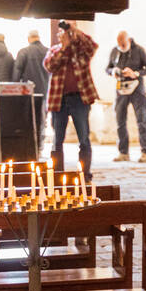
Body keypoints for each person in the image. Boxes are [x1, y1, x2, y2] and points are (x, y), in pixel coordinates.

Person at [44, 21, 98, 181]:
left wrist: (76, 32)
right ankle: (57, 174)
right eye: (62, 32)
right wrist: (63, 47)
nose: (65, 35)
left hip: (79, 98)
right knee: (57, 139)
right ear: (58, 36)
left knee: (84, 138)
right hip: (58, 100)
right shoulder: (54, 50)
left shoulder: (81, 51)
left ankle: (85, 175)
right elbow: (49, 66)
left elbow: (92, 47)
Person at [104, 31, 146, 163]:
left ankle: (145, 152)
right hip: (121, 89)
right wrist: (113, 71)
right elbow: (107, 68)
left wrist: (136, 73)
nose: (121, 46)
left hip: (137, 89)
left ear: (129, 40)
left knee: (142, 120)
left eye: (124, 44)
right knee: (120, 120)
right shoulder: (115, 51)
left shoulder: (139, 50)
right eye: (119, 44)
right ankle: (123, 152)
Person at [13, 30, 51, 158]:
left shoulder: (24, 52)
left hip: (28, 93)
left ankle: (30, 148)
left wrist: (14, 90)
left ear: (29, 38)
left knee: (29, 121)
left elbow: (17, 73)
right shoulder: (48, 51)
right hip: (46, 91)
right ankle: (40, 148)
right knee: (42, 120)